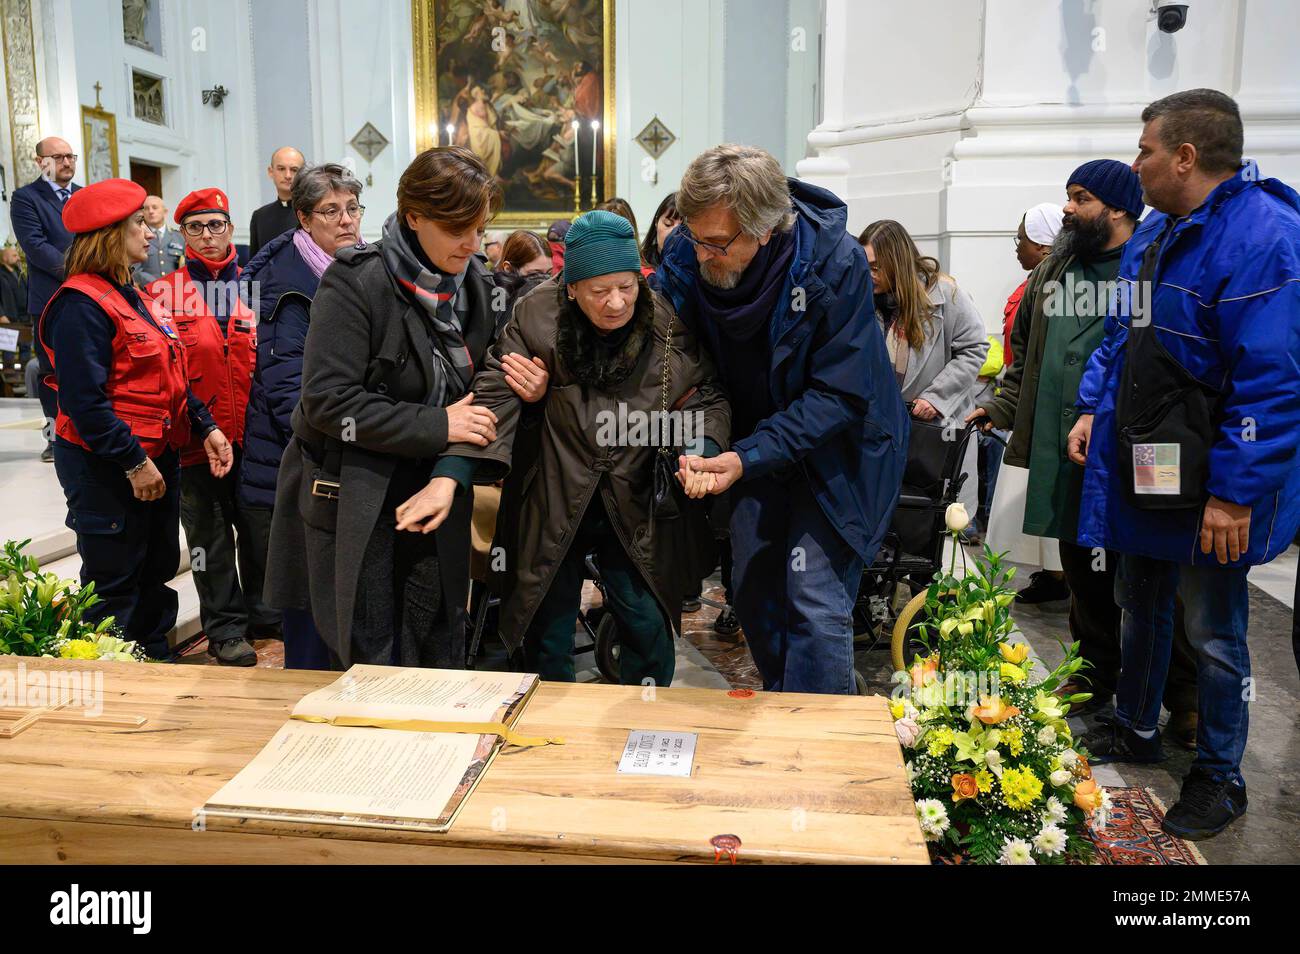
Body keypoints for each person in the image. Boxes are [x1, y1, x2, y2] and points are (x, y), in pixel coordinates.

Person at [1068, 89, 1300, 839]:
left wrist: (1233, 496)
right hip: (1149, 460)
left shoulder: (1265, 235)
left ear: (1186, 156)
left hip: (1210, 477)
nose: (1135, 164)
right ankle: (1136, 725)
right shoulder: (1156, 233)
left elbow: (1273, 379)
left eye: (1144, 150)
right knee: (1142, 600)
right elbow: (1122, 335)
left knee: (1215, 631)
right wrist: (1090, 408)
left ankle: (1219, 775)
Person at [419, 210, 731, 684]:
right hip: (554, 491)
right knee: (547, 627)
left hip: (634, 494)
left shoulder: (663, 318)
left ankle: (644, 730)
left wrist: (701, 447)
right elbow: (494, 395)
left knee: (647, 624)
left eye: (627, 286)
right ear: (571, 287)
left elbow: (704, 394)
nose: (616, 303)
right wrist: (451, 476)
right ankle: (549, 738)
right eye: (599, 290)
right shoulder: (535, 314)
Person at [658, 144, 908, 695]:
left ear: (765, 228)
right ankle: (784, 710)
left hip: (839, 452)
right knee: (752, 589)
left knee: (814, 598)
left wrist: (743, 455)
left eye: (718, 243)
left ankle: (820, 750)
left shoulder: (834, 264)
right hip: (748, 452)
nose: (703, 256)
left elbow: (840, 395)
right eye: (695, 238)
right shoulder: (685, 253)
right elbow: (669, 356)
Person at [967, 162, 1204, 732]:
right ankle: (1096, 669)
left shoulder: (1152, 267)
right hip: (1064, 446)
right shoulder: (1054, 270)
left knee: (1151, 573)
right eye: (1068, 198)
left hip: (1137, 450)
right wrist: (998, 407)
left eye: (1081, 198)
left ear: (1119, 208)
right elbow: (1022, 354)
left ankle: (1186, 694)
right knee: (1082, 567)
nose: (1068, 209)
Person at [266, 147, 507, 670]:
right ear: (414, 216)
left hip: (438, 494)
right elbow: (328, 402)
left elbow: (486, 391)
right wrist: (438, 423)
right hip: (358, 491)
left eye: (481, 227)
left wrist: (452, 464)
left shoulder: (476, 284)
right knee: (367, 657)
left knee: (437, 644)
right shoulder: (358, 281)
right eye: (457, 227)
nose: (472, 242)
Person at [38, 179, 232, 659]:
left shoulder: (136, 294)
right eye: (139, 224)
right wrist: (132, 462)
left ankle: (153, 662)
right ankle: (113, 684)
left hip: (156, 456)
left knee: (156, 569)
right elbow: (85, 404)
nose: (150, 233)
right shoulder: (79, 305)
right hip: (106, 466)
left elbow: (171, 375)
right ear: (109, 234)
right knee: (114, 581)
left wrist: (204, 426)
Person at [239, 163, 363, 668]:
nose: (346, 220)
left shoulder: (350, 266)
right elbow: (286, 386)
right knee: (311, 599)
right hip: (296, 457)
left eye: (353, 208)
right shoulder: (284, 282)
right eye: (331, 211)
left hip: (336, 449)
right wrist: (352, 432)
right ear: (304, 218)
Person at [148, 187, 277, 666]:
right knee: (209, 536)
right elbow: (166, 373)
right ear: (182, 234)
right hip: (195, 438)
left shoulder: (256, 285)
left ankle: (264, 612)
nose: (208, 236)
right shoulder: (162, 294)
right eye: (196, 227)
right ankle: (224, 627)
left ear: (230, 228)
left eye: (216, 225)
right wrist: (200, 426)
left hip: (254, 434)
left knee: (260, 528)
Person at [859, 219, 988, 521]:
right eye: (865, 266)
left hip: (933, 430)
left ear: (897, 261)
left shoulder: (945, 294)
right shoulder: (865, 300)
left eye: (876, 267)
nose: (869, 274)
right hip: (884, 429)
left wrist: (936, 397)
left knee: (936, 526)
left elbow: (974, 348)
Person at [11, 136, 81, 462]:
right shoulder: (25, 199)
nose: (66, 162)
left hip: (89, 297)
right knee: (51, 371)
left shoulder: (84, 196)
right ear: (41, 162)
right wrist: (80, 271)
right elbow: (36, 246)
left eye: (70, 156)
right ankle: (55, 438)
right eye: (58, 157)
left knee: (88, 366)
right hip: (50, 298)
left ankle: (86, 430)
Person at [248, 147, 305, 257]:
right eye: (281, 168)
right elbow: (253, 264)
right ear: (270, 172)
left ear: (303, 174)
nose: (288, 175)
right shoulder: (259, 216)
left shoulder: (313, 213)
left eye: (294, 170)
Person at [132, 195, 184, 288]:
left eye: (155, 207)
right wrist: (158, 285)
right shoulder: (137, 238)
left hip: (176, 291)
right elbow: (135, 269)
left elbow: (185, 266)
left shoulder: (179, 237)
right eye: (146, 209)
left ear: (165, 212)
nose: (151, 211)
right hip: (148, 291)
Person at [640, 191, 680, 270]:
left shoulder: (698, 267)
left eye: (682, 228)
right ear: (656, 222)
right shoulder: (640, 264)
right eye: (668, 224)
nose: (674, 232)